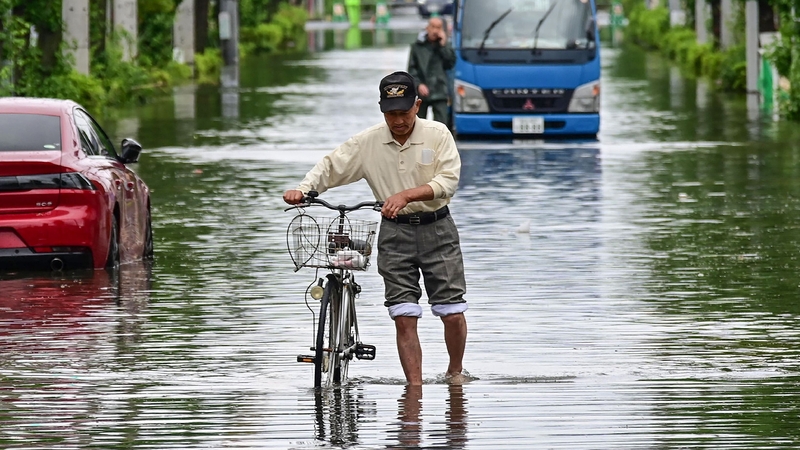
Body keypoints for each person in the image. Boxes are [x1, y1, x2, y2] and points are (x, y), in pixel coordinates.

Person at [283, 71, 469, 386]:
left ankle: (455, 372)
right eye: (391, 113)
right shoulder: (368, 141)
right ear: (382, 110)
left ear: (417, 106)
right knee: (403, 316)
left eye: (404, 112)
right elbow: (331, 166)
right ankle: (414, 390)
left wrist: (406, 195)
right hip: (395, 234)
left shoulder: (437, 134)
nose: (398, 120)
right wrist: (303, 190)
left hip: (438, 229)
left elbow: (448, 181)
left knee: (451, 312)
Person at [407, 16, 456, 128]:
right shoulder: (417, 46)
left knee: (441, 125)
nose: (435, 31)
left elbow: (450, 64)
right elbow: (411, 69)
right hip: (421, 91)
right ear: (427, 28)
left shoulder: (445, 46)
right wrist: (418, 84)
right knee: (417, 124)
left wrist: (443, 45)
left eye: (438, 28)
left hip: (440, 90)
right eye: (433, 27)